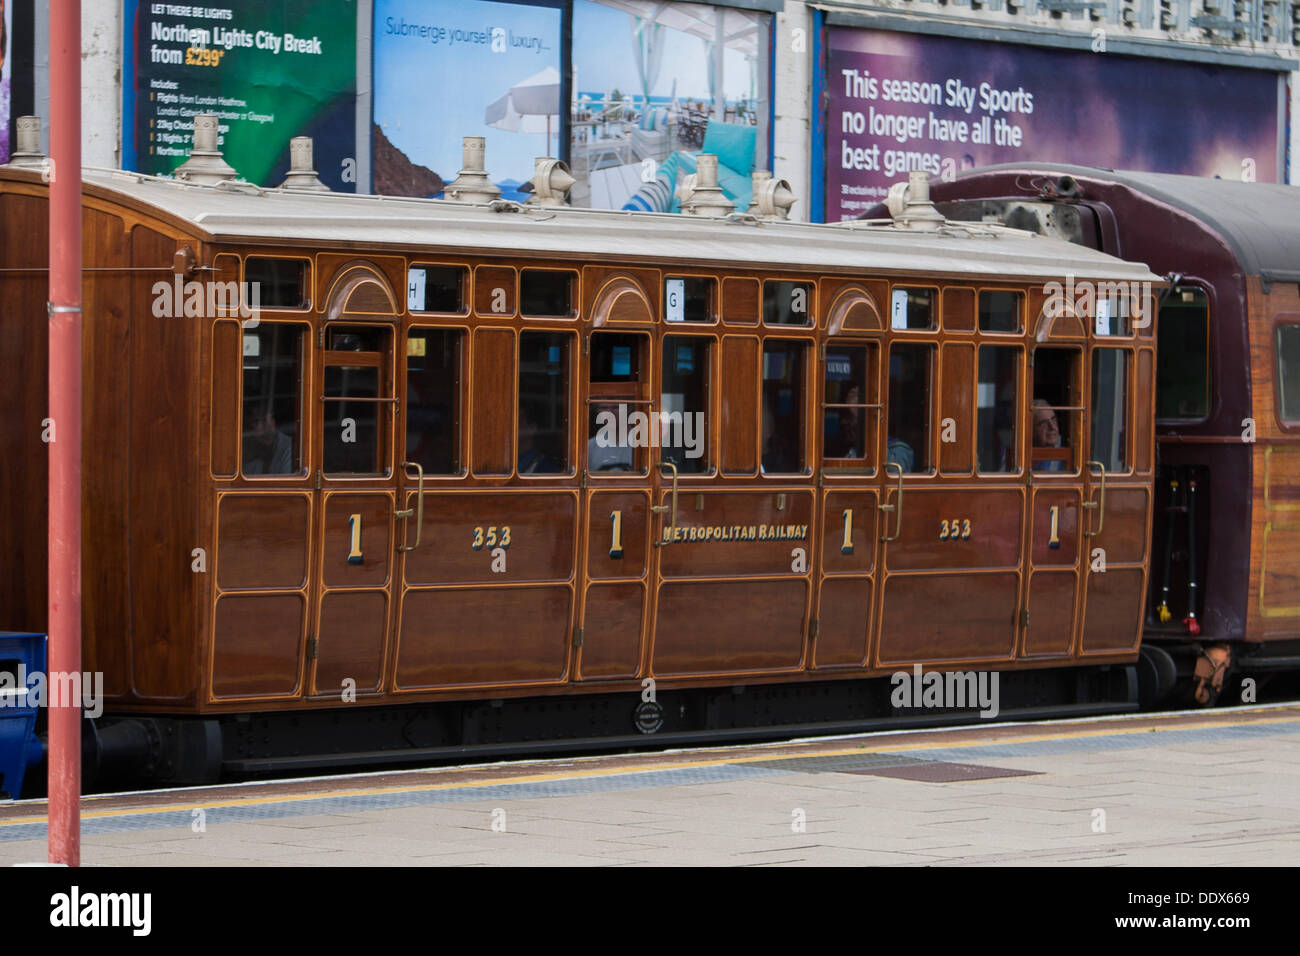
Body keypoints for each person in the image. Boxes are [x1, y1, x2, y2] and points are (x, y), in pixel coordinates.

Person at [244, 406, 294, 475]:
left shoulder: (290, 449)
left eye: (271, 418)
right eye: (257, 420)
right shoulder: (247, 451)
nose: (269, 427)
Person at [518, 404, 561, 474]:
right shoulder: (509, 462)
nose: (511, 427)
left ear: (532, 429)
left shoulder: (547, 469)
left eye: (518, 422)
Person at [1033, 399, 1066, 472]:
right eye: (1044, 423)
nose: (1052, 427)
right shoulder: (1022, 452)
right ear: (1032, 431)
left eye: (1053, 420)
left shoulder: (1067, 446)